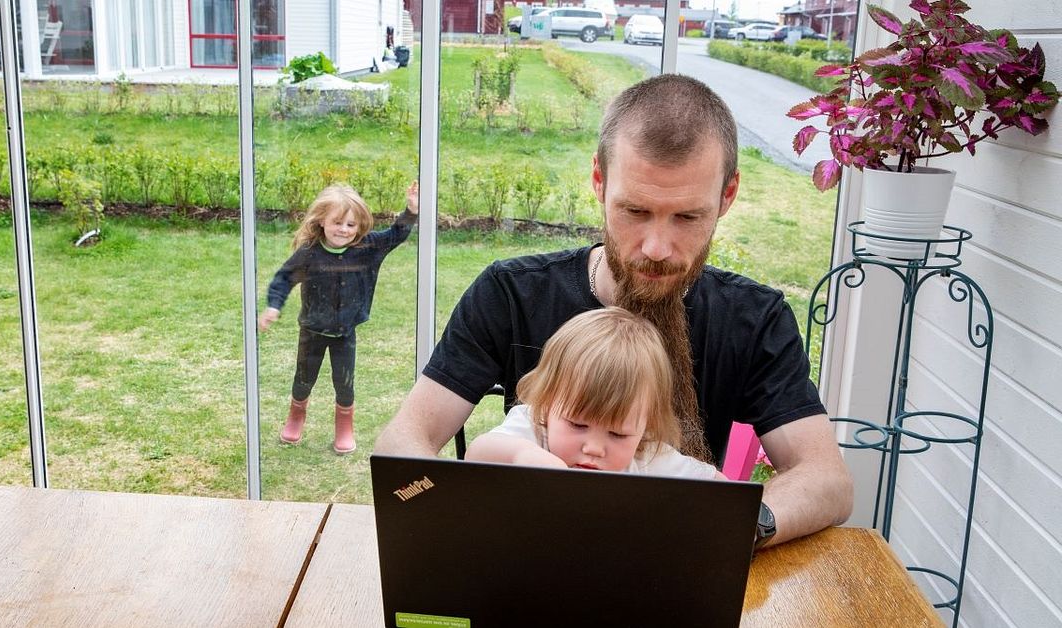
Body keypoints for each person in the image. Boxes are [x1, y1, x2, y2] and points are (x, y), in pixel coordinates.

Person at [375, 74, 852, 547]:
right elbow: (404, 443)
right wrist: (451, 522)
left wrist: (739, 528)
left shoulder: (754, 319)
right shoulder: (510, 294)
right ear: (599, 181)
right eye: (635, 211)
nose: (657, 247)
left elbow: (827, 479)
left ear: (727, 196)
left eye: (687, 217)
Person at [466, 307, 725, 479]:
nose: (594, 448)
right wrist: (520, 454)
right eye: (578, 424)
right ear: (548, 401)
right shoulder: (533, 427)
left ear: (647, 425)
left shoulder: (645, 456)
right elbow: (477, 452)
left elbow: (721, 488)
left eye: (617, 434)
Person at [259, 181, 419, 454]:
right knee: (303, 379)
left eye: (350, 225)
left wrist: (411, 211)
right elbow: (283, 279)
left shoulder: (367, 248)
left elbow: (396, 234)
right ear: (321, 220)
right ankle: (295, 417)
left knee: (344, 382)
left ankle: (344, 426)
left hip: (345, 332)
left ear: (359, 227)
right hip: (312, 331)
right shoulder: (309, 253)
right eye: (337, 223)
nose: (344, 230)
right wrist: (274, 306)